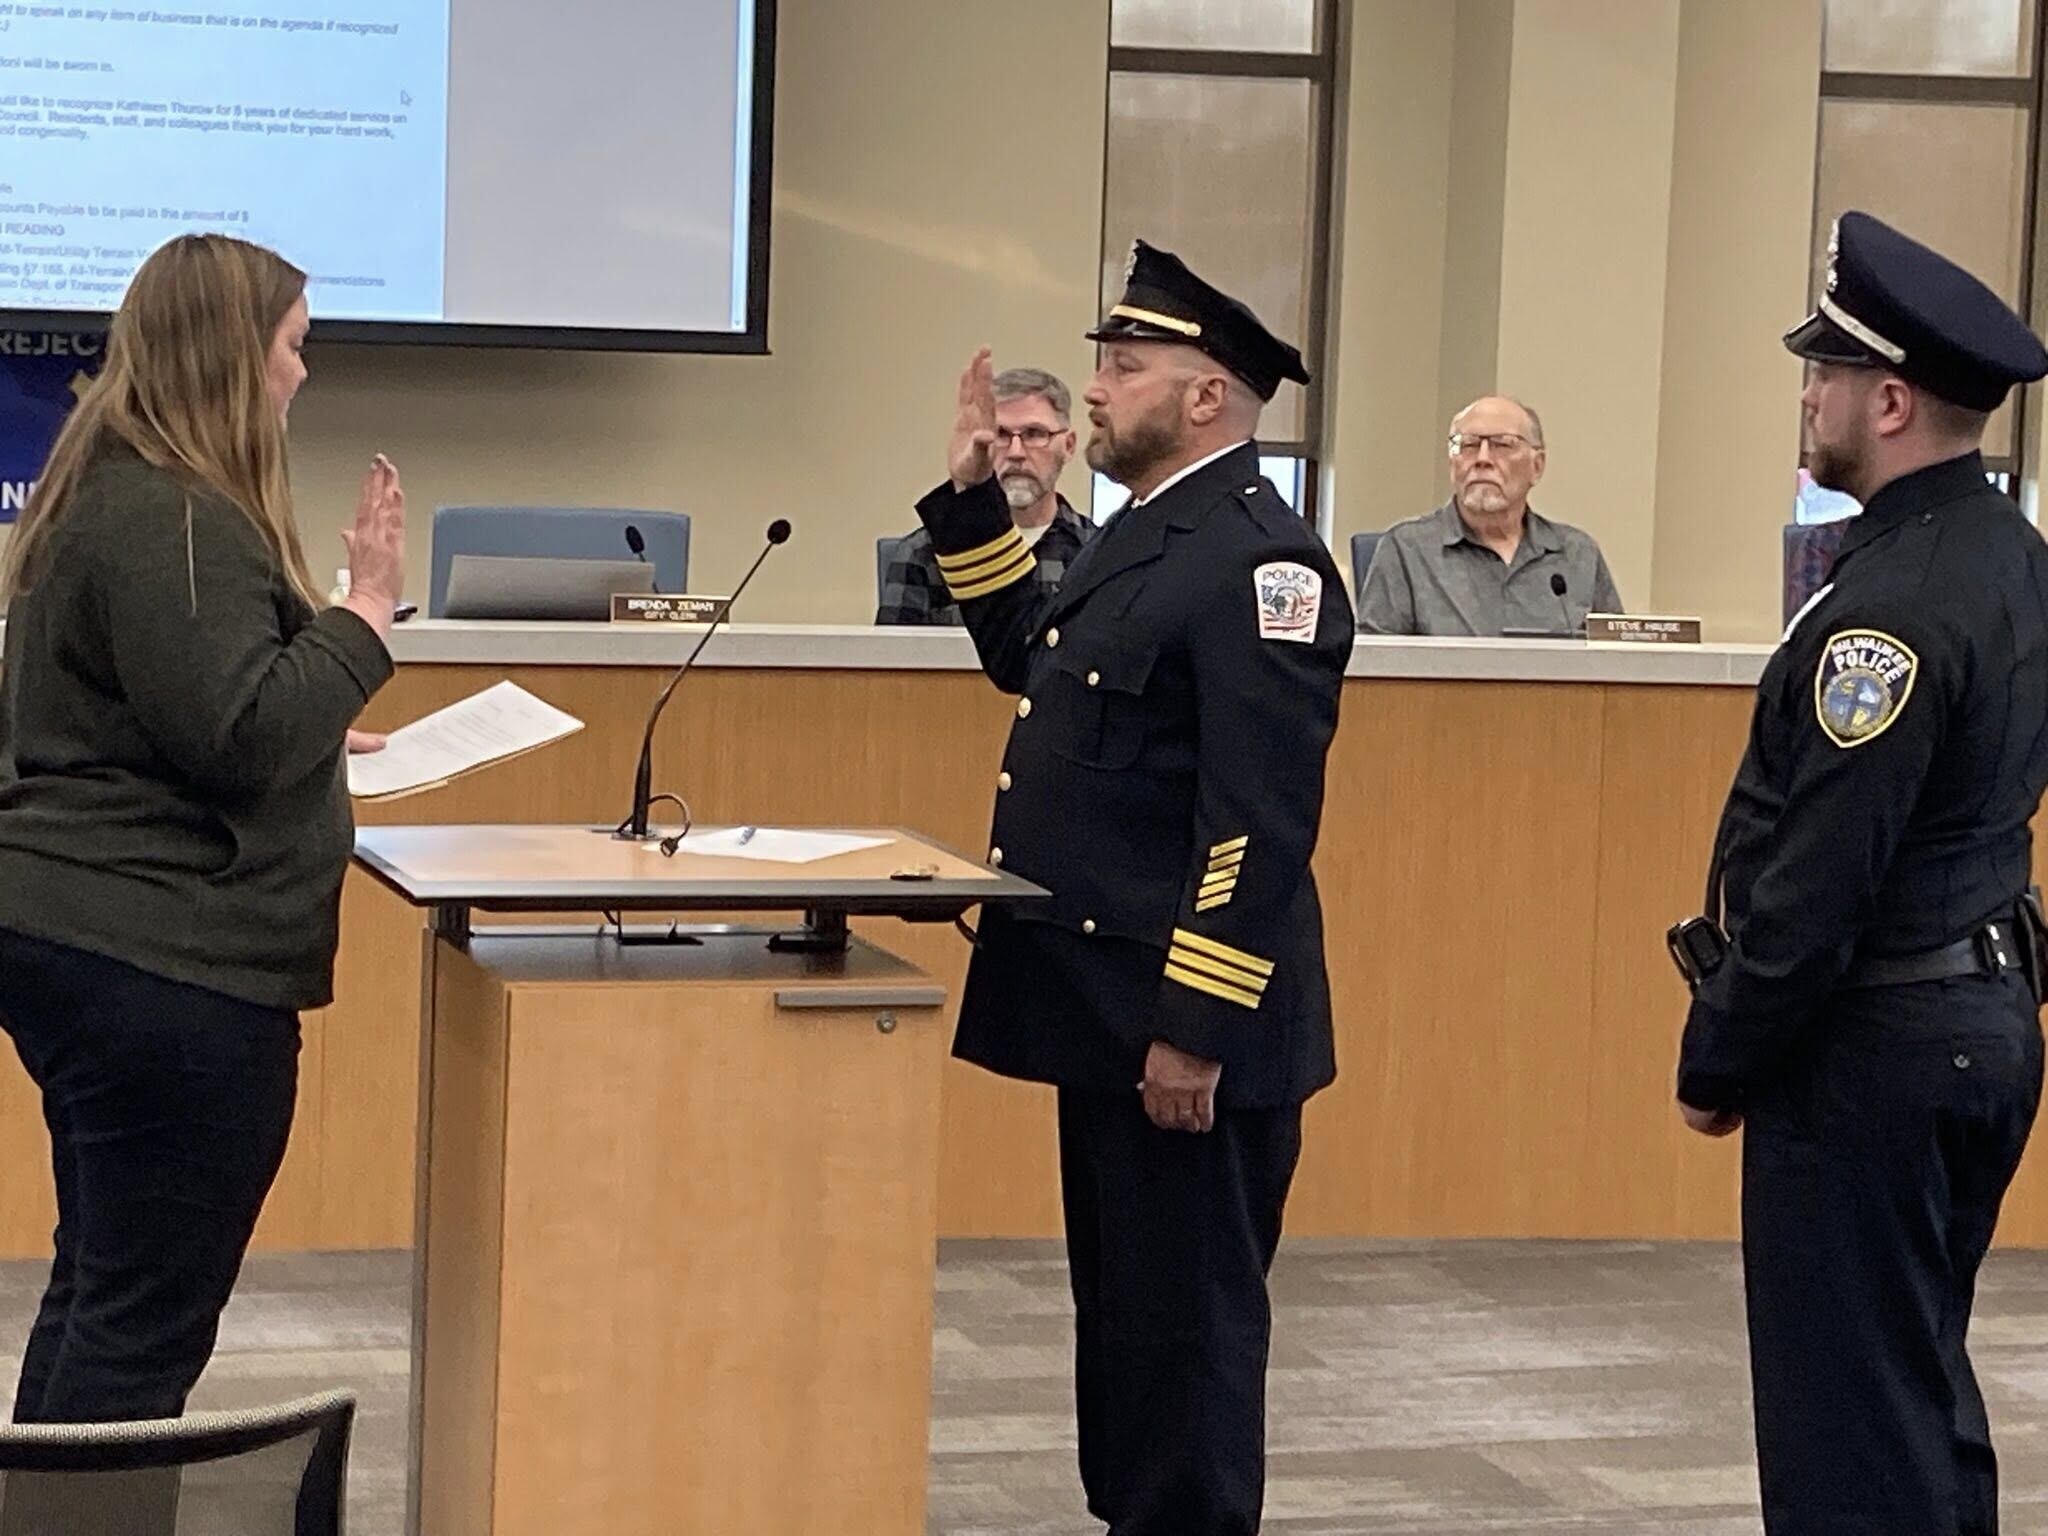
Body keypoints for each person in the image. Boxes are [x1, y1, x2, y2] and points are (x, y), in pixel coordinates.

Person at [914, 240, 1351, 1535]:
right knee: (1128, 1345)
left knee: (1190, 1361)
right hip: (1110, 1019)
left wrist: (1195, 1030)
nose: (1096, 390)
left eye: (1124, 366)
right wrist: (970, 504)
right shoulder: (1152, 538)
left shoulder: (1263, 566)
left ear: (1206, 394)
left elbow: (1256, 825)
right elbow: (1027, 663)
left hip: (1185, 1039)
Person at [1672, 210, 2048, 1534]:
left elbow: (1823, 874)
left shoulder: (1886, 607)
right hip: (1976, 1013)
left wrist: (1721, 1055)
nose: (1808, 396)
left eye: (1823, 375)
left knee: (1849, 1435)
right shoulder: (2007, 555)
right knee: (1913, 1397)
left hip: (1872, 1044)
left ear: (1888, 400)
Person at [0, 233, 407, 1422]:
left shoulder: (117, 494)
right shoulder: (175, 515)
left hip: (96, 944)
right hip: (164, 964)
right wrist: (365, 616)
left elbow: (160, 716)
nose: (301, 376)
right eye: (294, 348)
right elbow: (237, 735)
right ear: (236, 358)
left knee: (100, 1297)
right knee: (136, 1330)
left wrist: (315, 727)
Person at [1356, 395, 1622, 635]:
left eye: (1502, 445)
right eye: (1468, 445)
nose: (1482, 459)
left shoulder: (1577, 554)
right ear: (1452, 463)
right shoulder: (1406, 551)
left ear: (1537, 467)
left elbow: (1617, 662)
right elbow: (1375, 671)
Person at [878, 365, 1093, 624]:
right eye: (1000, 434)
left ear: (1068, 446)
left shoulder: (1099, 553)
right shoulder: (924, 554)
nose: (1016, 452)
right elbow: (894, 664)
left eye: (1035, 434)